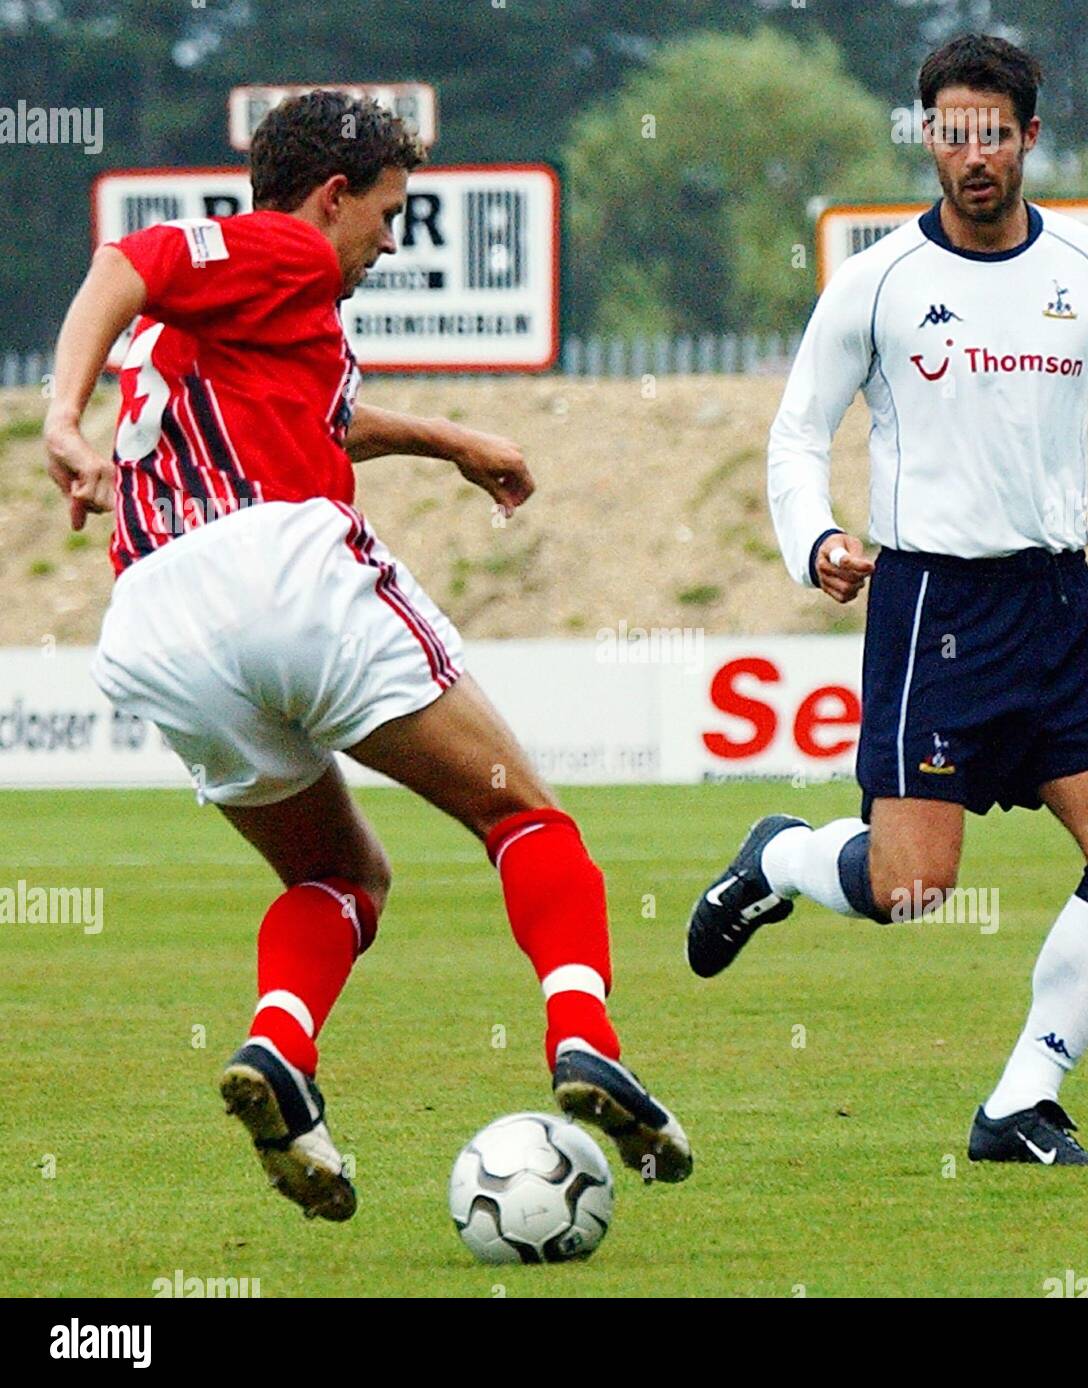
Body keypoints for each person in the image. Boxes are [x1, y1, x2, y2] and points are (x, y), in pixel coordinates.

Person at [44, 91, 691, 1221]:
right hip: (274, 567)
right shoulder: (284, 247)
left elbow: (323, 416)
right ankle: (584, 1037)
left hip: (150, 614)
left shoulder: (239, 315)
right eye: (387, 215)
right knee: (525, 816)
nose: (390, 243)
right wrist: (60, 413)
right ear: (332, 196)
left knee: (340, 878)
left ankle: (279, 1056)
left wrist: (446, 439)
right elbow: (125, 257)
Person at [686, 35, 1088, 1166]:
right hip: (934, 604)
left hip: (1064, 604)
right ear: (927, 136)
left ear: (1030, 135)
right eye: (951, 131)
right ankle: (779, 857)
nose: (973, 154)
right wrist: (815, 535)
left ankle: (1021, 1100)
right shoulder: (878, 282)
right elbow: (796, 429)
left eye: (994, 132)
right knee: (911, 885)